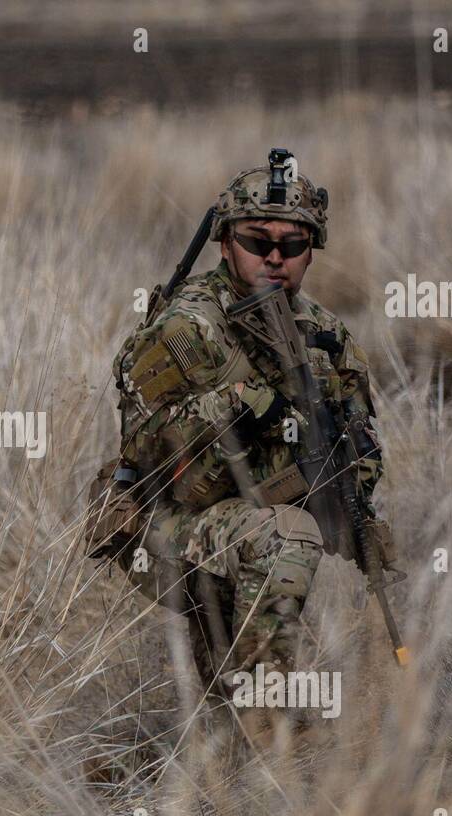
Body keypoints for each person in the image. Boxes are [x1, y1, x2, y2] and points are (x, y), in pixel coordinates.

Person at [101, 150, 390, 744]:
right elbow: (143, 445)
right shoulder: (189, 328)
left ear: (314, 249)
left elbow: (362, 445)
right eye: (258, 241)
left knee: (279, 558)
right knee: (287, 539)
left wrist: (349, 499)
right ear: (226, 243)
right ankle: (267, 730)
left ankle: (225, 746)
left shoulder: (328, 338)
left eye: (294, 244)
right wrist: (246, 402)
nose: (276, 258)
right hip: (164, 523)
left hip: (250, 521)